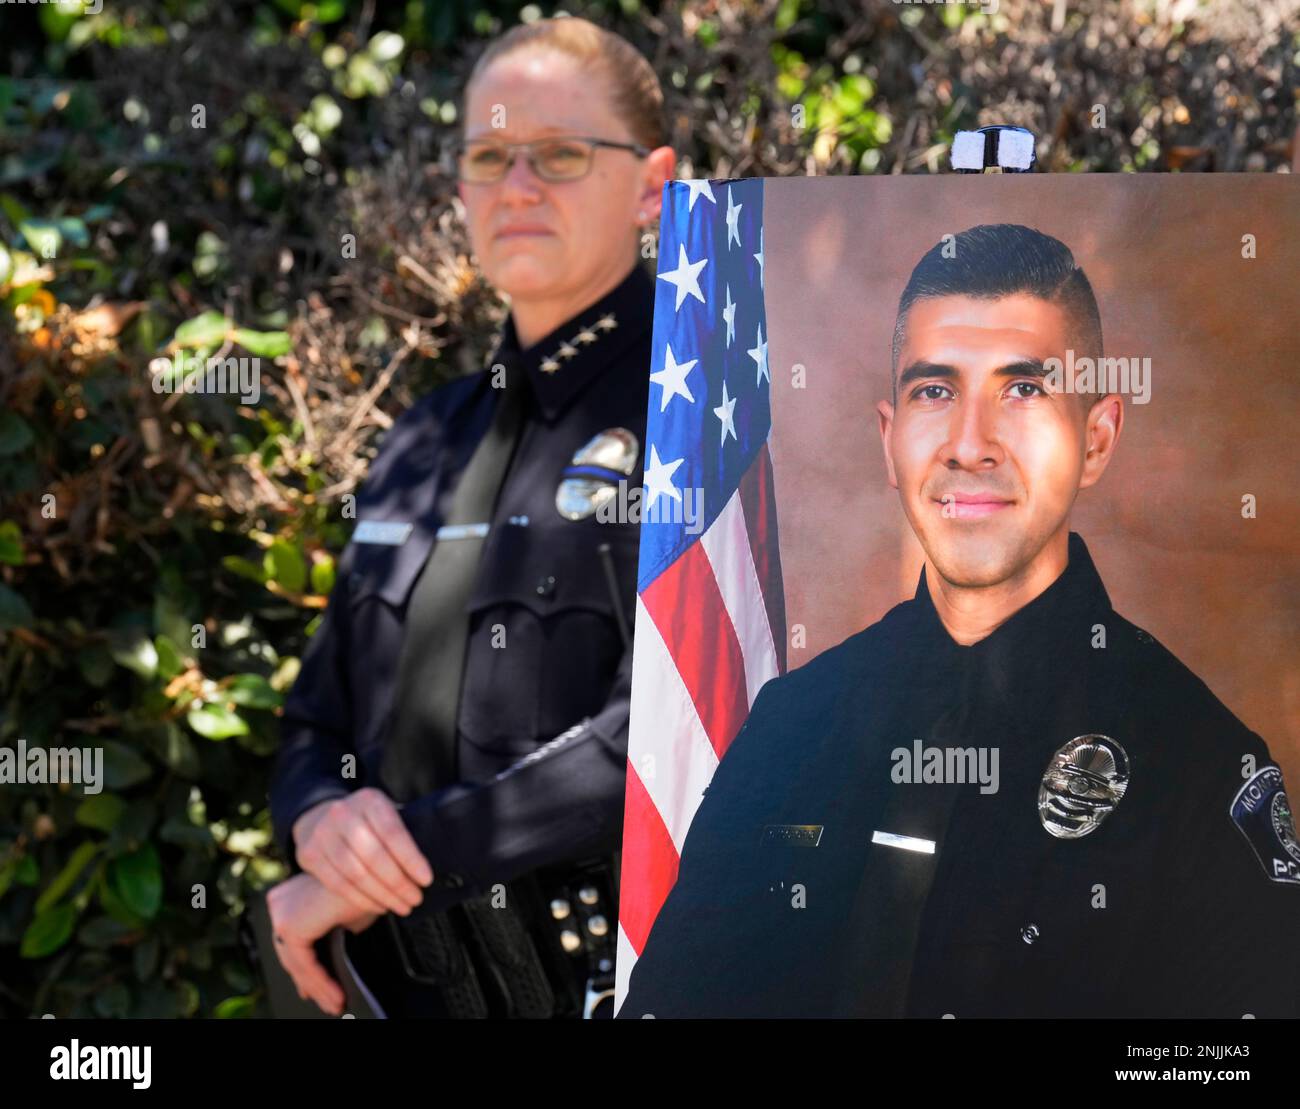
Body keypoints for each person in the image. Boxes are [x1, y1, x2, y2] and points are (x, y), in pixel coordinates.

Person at [619, 223, 1300, 1018]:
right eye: (934, 391)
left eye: (1023, 389)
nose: (970, 444)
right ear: (890, 437)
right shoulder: (794, 723)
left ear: (1097, 437)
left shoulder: (1198, 763)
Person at [264, 16, 675, 1018]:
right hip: (387, 989)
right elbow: (318, 716)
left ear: (652, 185)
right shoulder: (421, 435)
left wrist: (386, 864)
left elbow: (670, 734)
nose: (517, 185)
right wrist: (320, 820)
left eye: (562, 153)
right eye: (488, 156)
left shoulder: (693, 419)